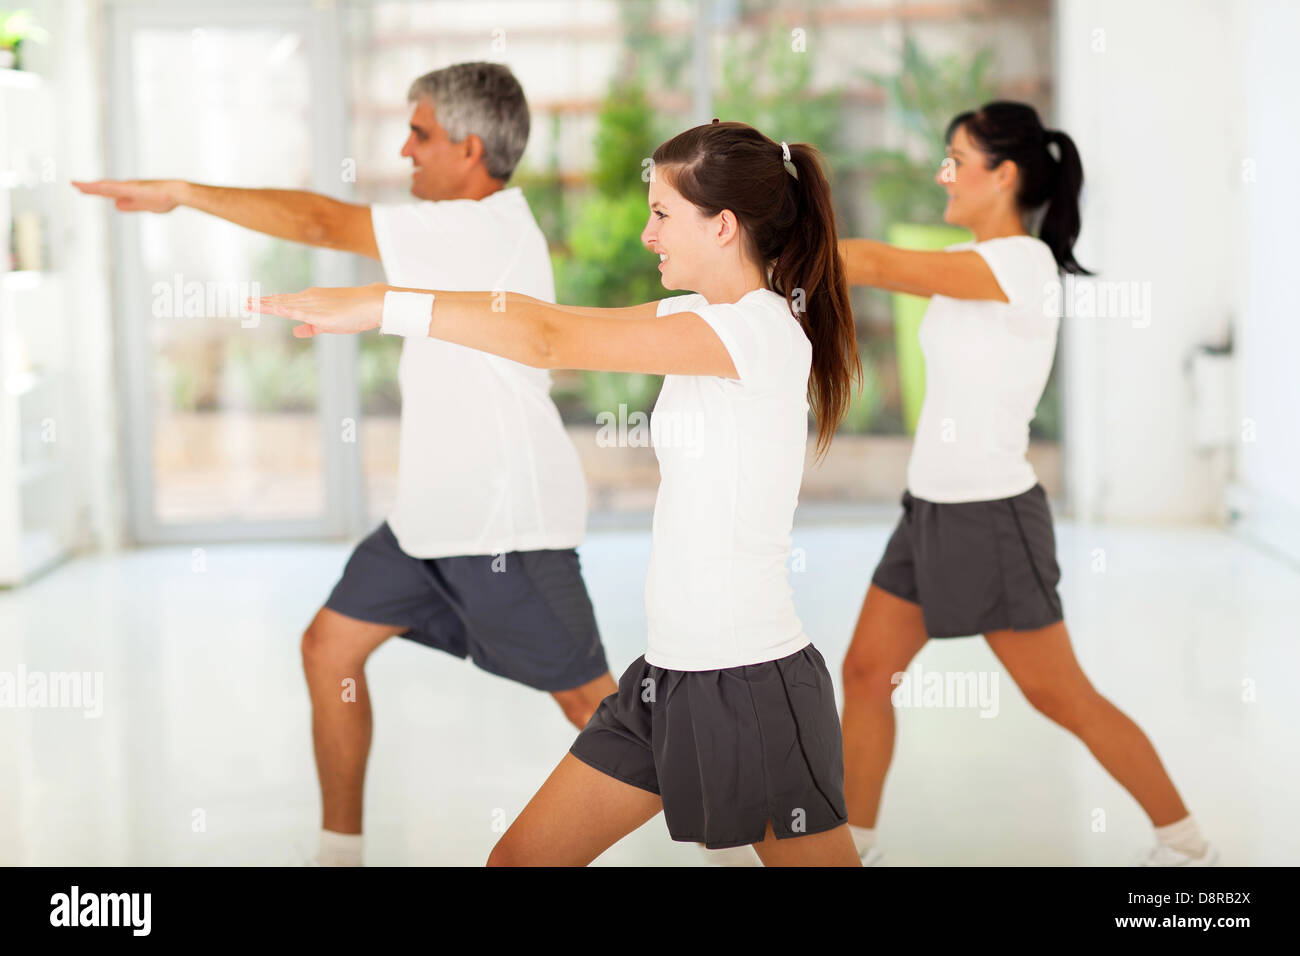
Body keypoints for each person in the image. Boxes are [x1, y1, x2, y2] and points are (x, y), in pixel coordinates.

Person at [250, 120, 865, 866]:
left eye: (663, 214)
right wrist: (400, 302)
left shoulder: (760, 334)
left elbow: (548, 339)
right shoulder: (699, 318)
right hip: (665, 678)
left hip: (750, 686)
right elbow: (542, 323)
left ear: (724, 225)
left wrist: (385, 305)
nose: (647, 234)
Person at [74, 61, 617, 867]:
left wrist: (185, 192)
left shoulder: (478, 228)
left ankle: (741, 841)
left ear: (471, 150)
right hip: (428, 522)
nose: (404, 149)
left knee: (601, 711)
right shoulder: (461, 227)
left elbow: (325, 225)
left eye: (420, 133)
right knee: (329, 647)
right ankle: (339, 857)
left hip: (505, 522)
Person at [836, 101, 1217, 867]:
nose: (943, 172)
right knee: (868, 671)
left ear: (1002, 174)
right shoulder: (969, 260)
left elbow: (871, 264)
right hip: (930, 513)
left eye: (956, 157)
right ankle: (854, 846)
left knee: (1059, 694)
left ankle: (1185, 844)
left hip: (991, 519)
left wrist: (770, 223)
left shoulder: (1021, 265)